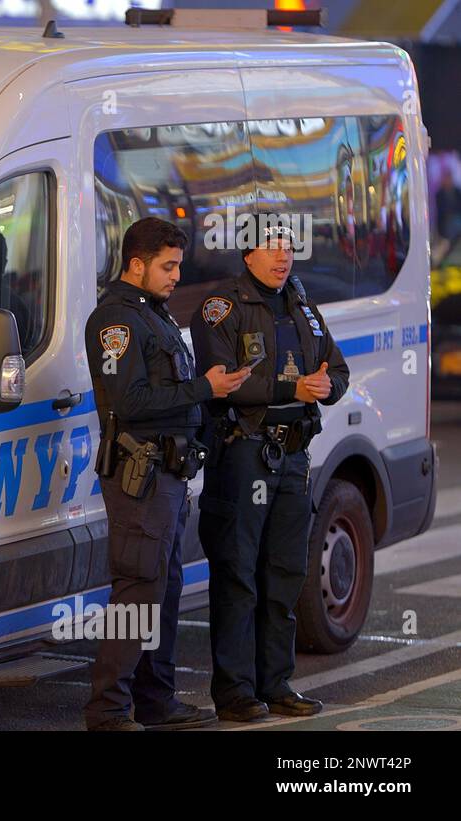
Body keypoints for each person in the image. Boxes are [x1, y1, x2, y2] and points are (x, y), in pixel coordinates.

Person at [83, 217, 251, 731]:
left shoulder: (151, 314)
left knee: (165, 588)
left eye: (179, 265)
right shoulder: (117, 321)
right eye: (168, 266)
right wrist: (205, 388)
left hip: (169, 474)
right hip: (142, 473)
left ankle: (156, 701)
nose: (178, 275)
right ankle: (109, 710)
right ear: (138, 264)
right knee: (137, 587)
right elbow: (129, 402)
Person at [189, 226, 349, 722]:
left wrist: (326, 386)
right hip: (244, 455)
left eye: (288, 248)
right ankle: (235, 692)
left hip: (293, 457)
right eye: (272, 248)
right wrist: (290, 389)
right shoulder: (221, 308)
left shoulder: (301, 303)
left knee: (285, 573)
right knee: (238, 574)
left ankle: (276, 683)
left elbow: (338, 370)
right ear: (247, 253)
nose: (283, 258)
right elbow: (223, 384)